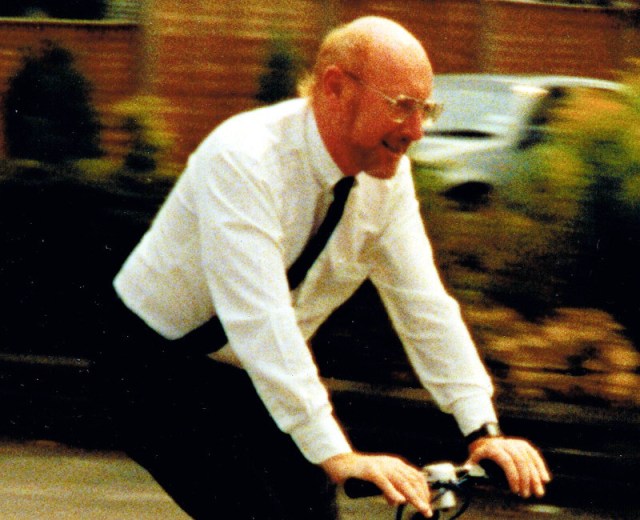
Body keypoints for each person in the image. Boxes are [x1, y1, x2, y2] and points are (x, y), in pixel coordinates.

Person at [105, 15, 550, 520]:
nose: (417, 130)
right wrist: (338, 457)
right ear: (336, 87)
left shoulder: (387, 180)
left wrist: (482, 430)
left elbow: (424, 305)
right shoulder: (244, 157)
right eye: (402, 106)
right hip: (151, 364)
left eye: (425, 110)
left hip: (248, 373)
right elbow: (260, 319)